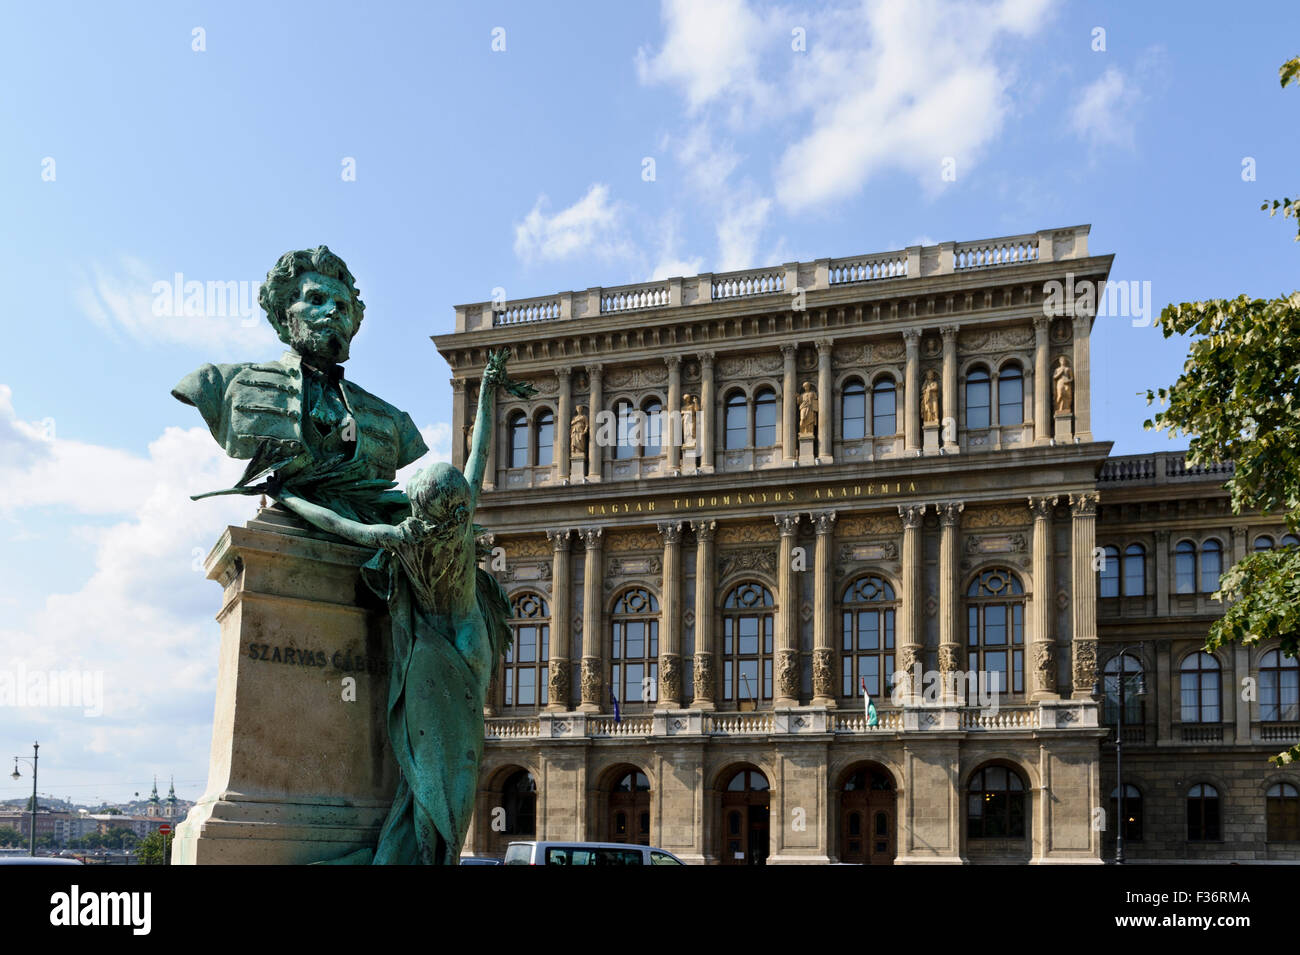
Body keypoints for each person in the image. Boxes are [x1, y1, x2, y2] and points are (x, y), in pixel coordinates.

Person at [268, 347, 528, 864]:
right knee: (459, 759)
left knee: (427, 765)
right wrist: (489, 392)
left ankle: (426, 854)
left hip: (433, 653)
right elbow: (477, 457)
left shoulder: (405, 538)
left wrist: (288, 495)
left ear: (420, 503)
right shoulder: (461, 525)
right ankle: (440, 853)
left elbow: (340, 525)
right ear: (454, 504)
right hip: (473, 643)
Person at [173, 246, 425, 523]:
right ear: (283, 315)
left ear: (353, 323)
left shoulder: (391, 420)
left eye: (342, 306)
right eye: (316, 299)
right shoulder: (221, 382)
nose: (331, 311)